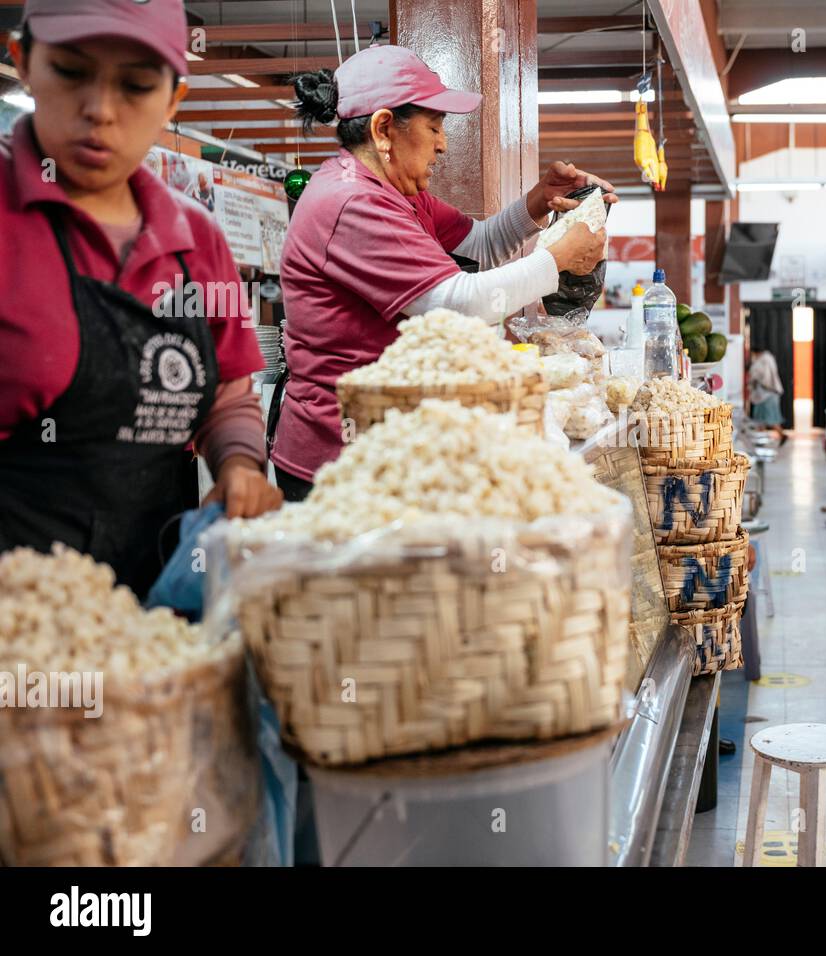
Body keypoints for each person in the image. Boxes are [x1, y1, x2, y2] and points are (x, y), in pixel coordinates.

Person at [0, 0, 282, 599]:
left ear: (174, 100)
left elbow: (229, 396)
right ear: (23, 60)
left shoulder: (196, 239)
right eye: (71, 72)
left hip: (153, 608)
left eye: (135, 85)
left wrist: (238, 465)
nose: (100, 110)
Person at [273, 46, 613, 500]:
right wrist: (559, 259)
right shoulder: (354, 202)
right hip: (338, 461)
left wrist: (537, 202)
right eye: (433, 127)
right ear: (383, 128)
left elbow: (480, 244)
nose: (442, 144)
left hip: (386, 449)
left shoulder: (398, 193)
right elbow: (457, 302)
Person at [747, 345, 785, 445]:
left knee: (771, 419)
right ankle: (761, 441)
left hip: (767, 395)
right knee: (760, 420)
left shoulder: (763, 360)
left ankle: (782, 436)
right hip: (765, 395)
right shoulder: (768, 358)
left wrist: (753, 380)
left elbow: (765, 378)